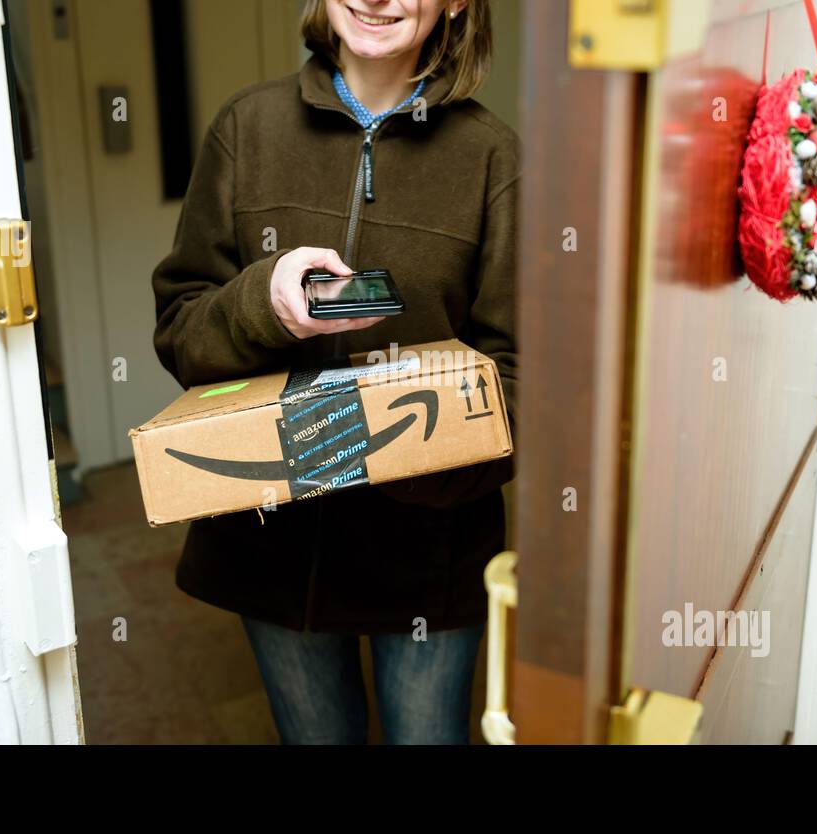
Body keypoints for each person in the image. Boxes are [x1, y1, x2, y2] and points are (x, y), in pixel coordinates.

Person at [151, 0, 517, 744]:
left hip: (429, 556)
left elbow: (521, 375)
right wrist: (267, 306)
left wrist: (410, 451)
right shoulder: (245, 128)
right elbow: (182, 330)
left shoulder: (494, 160)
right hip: (274, 553)